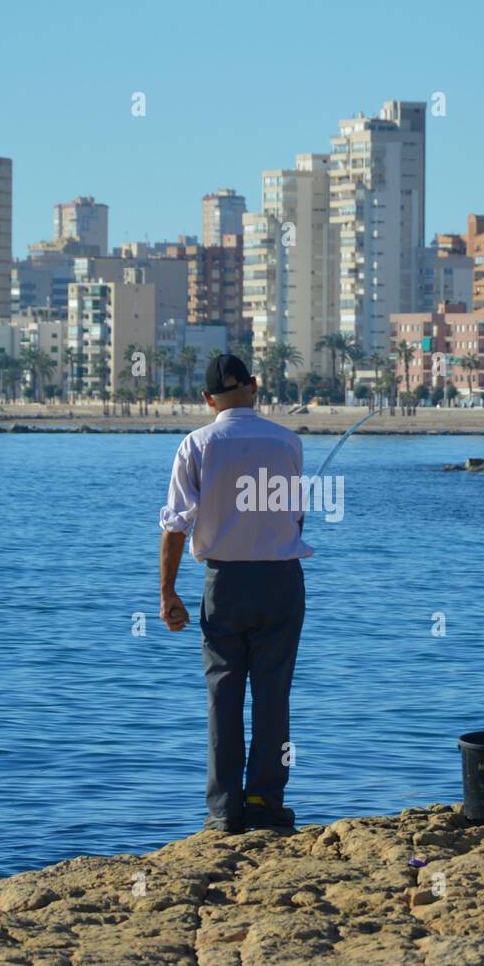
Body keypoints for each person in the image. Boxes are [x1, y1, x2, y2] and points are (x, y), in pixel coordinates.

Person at [158, 354, 311, 833]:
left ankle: (224, 811)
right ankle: (265, 801)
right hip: (281, 582)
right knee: (273, 695)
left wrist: (167, 593)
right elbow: (295, 515)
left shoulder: (196, 444)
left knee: (223, 694)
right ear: (254, 387)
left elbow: (176, 526)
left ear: (208, 399)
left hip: (223, 583)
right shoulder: (288, 442)